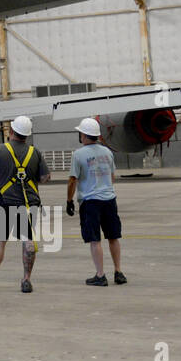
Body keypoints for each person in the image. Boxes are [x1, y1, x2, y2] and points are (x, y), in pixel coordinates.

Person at [0, 115, 50, 293]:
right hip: (28, 204)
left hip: (6, 203)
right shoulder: (35, 152)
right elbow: (45, 178)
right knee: (28, 239)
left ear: (11, 131)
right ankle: (26, 281)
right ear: (27, 135)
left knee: (0, 241)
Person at [67, 117, 126, 287]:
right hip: (109, 199)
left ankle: (100, 275)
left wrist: (69, 200)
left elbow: (73, 180)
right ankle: (118, 271)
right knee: (113, 237)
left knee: (95, 240)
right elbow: (112, 176)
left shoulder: (78, 155)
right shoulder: (107, 152)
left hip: (90, 201)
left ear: (84, 135)